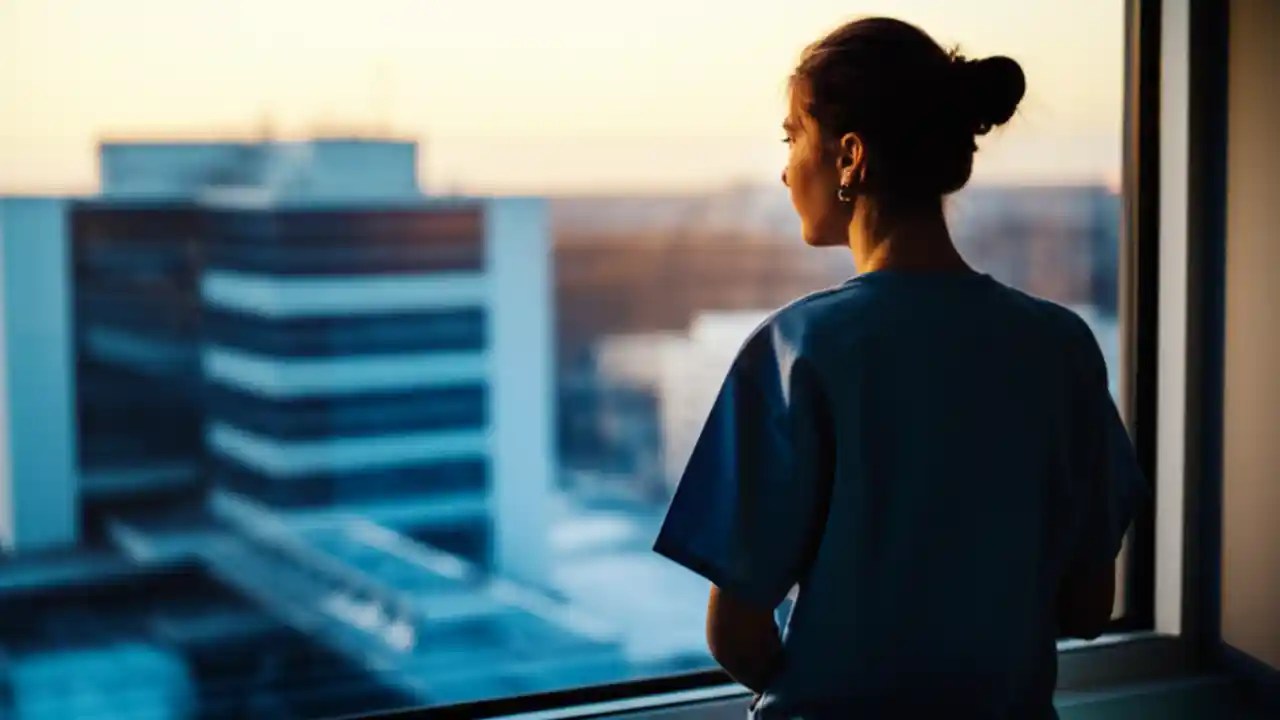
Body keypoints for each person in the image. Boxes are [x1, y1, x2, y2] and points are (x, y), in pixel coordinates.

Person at [652, 16, 1146, 720]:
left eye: (793, 136)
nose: (785, 167)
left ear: (849, 157)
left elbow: (735, 633)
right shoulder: (1061, 346)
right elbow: (1089, 606)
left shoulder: (798, 350)